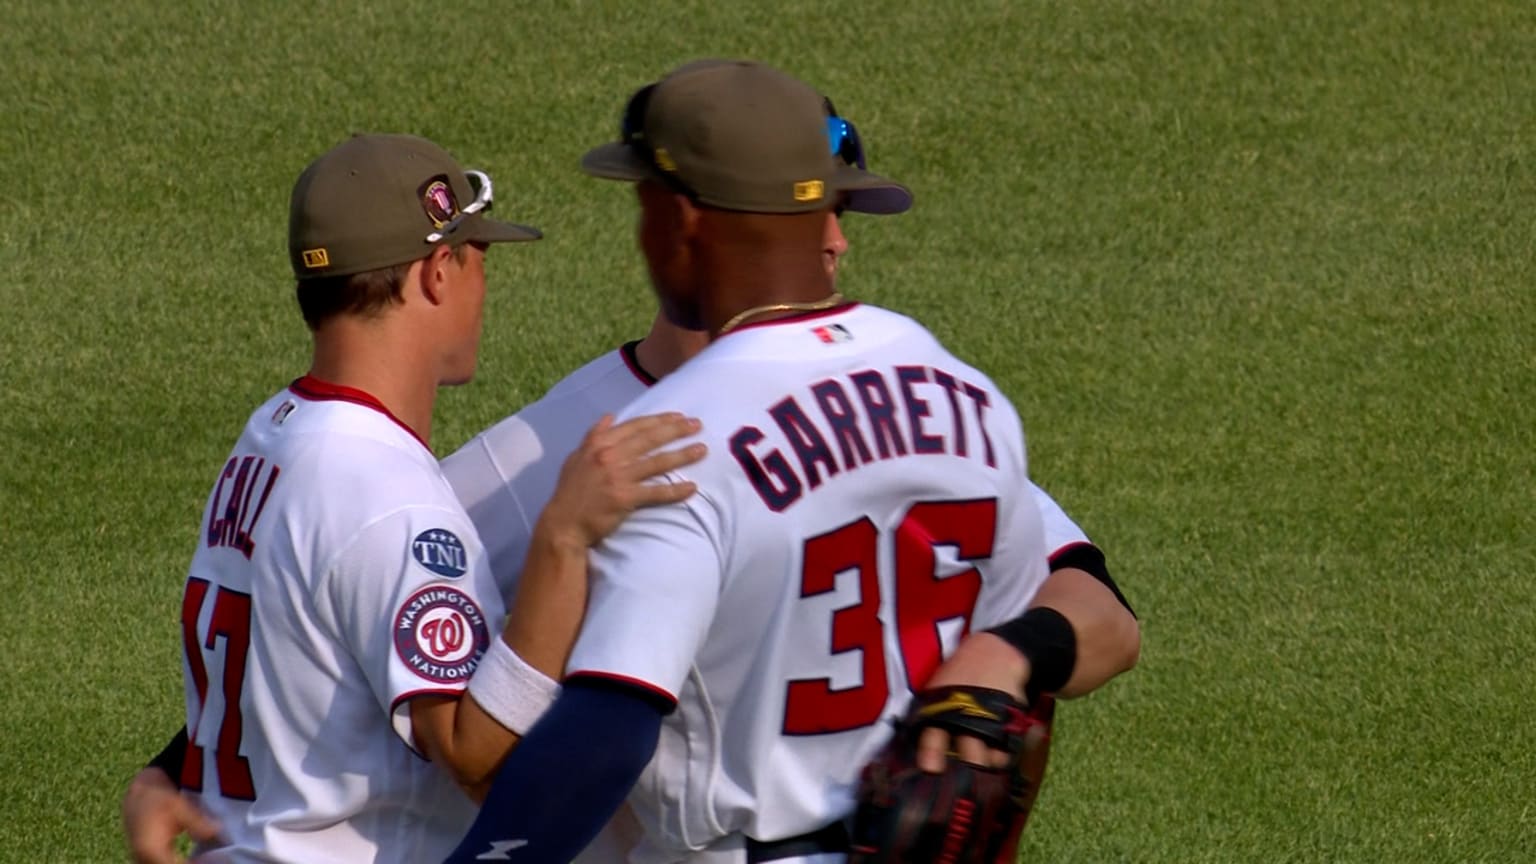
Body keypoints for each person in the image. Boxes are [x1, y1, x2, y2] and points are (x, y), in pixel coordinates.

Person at [446, 59, 1131, 864]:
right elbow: (1033, 662)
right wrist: (1004, 657)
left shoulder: (670, 438)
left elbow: (610, 728)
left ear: (675, 219)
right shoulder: (963, 398)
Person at [152, 132, 703, 864]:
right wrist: (562, 539)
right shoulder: (387, 493)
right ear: (438, 271)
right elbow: (472, 756)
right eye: (479, 259)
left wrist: (162, 769)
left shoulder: (269, 435)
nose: (484, 284)